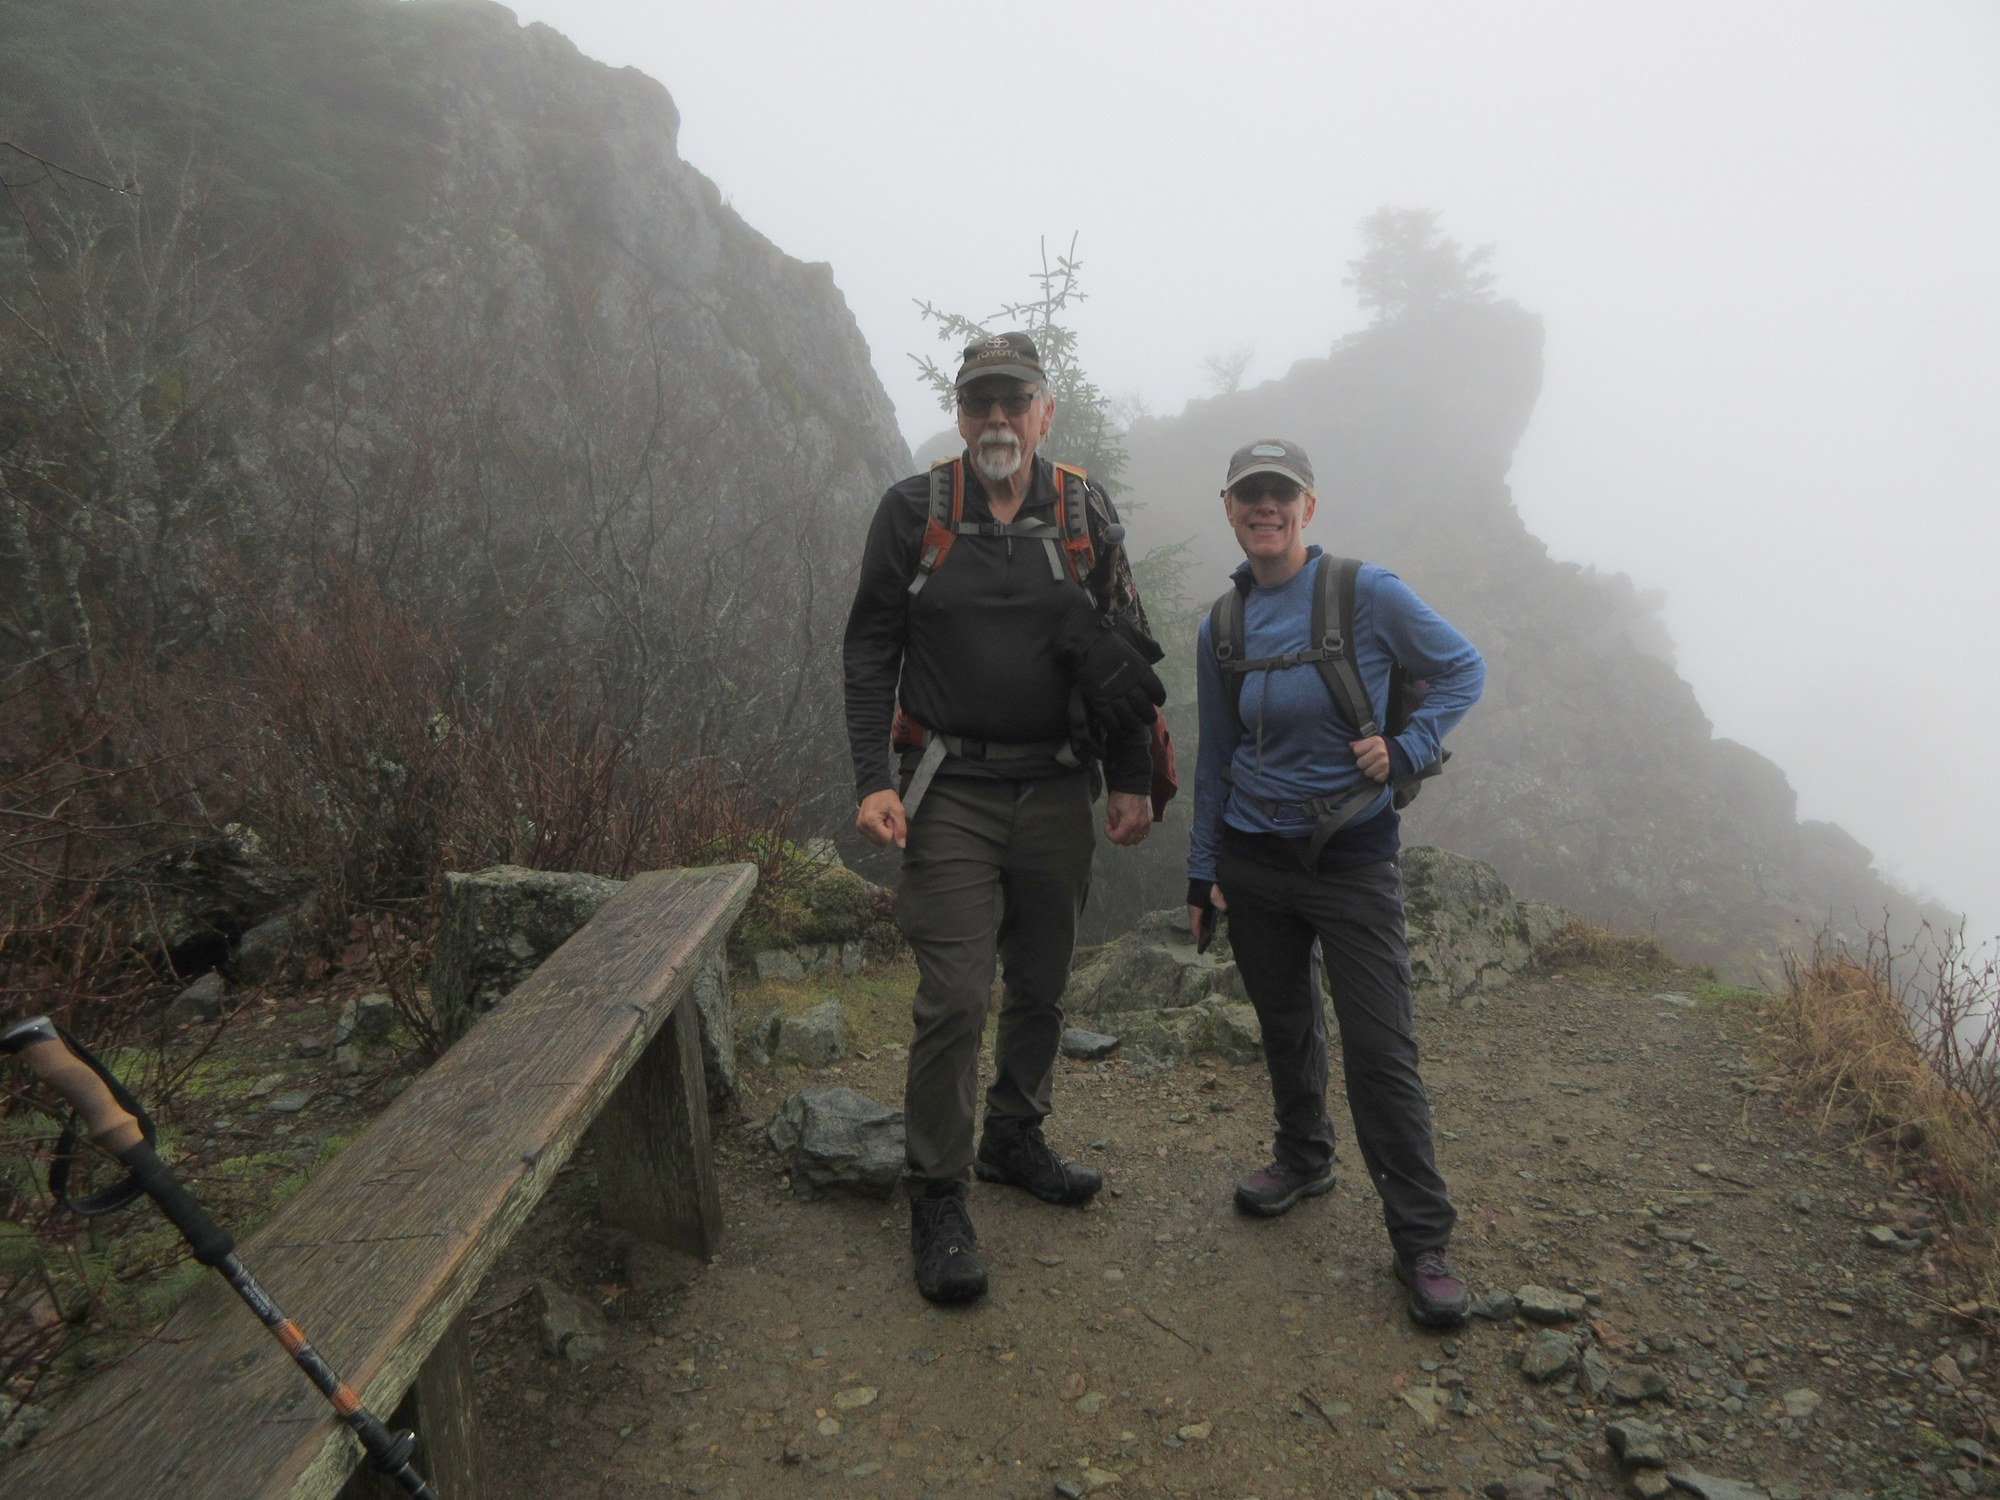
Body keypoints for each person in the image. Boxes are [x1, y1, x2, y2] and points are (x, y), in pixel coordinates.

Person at [844, 332, 1164, 1305]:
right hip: (948, 791)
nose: (994, 419)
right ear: (958, 414)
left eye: (1010, 401)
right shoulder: (912, 513)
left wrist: (1127, 778)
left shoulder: (1081, 511)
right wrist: (873, 777)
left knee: (1039, 980)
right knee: (951, 993)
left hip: (1057, 789)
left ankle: (1013, 1135)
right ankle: (937, 1192)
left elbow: (1121, 654)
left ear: (1042, 412)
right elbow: (868, 647)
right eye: (977, 401)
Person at [1186, 437, 1485, 1327]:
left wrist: (1406, 749)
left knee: (1382, 1050)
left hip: (1352, 857)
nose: (1265, 507)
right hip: (1253, 857)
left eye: (1281, 493)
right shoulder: (1221, 627)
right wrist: (1204, 871)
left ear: (1308, 508)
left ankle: (1422, 1240)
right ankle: (1305, 1156)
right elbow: (1216, 757)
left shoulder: (1367, 593)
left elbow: (1463, 669)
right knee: (1285, 1026)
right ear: (1231, 509)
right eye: (1249, 495)